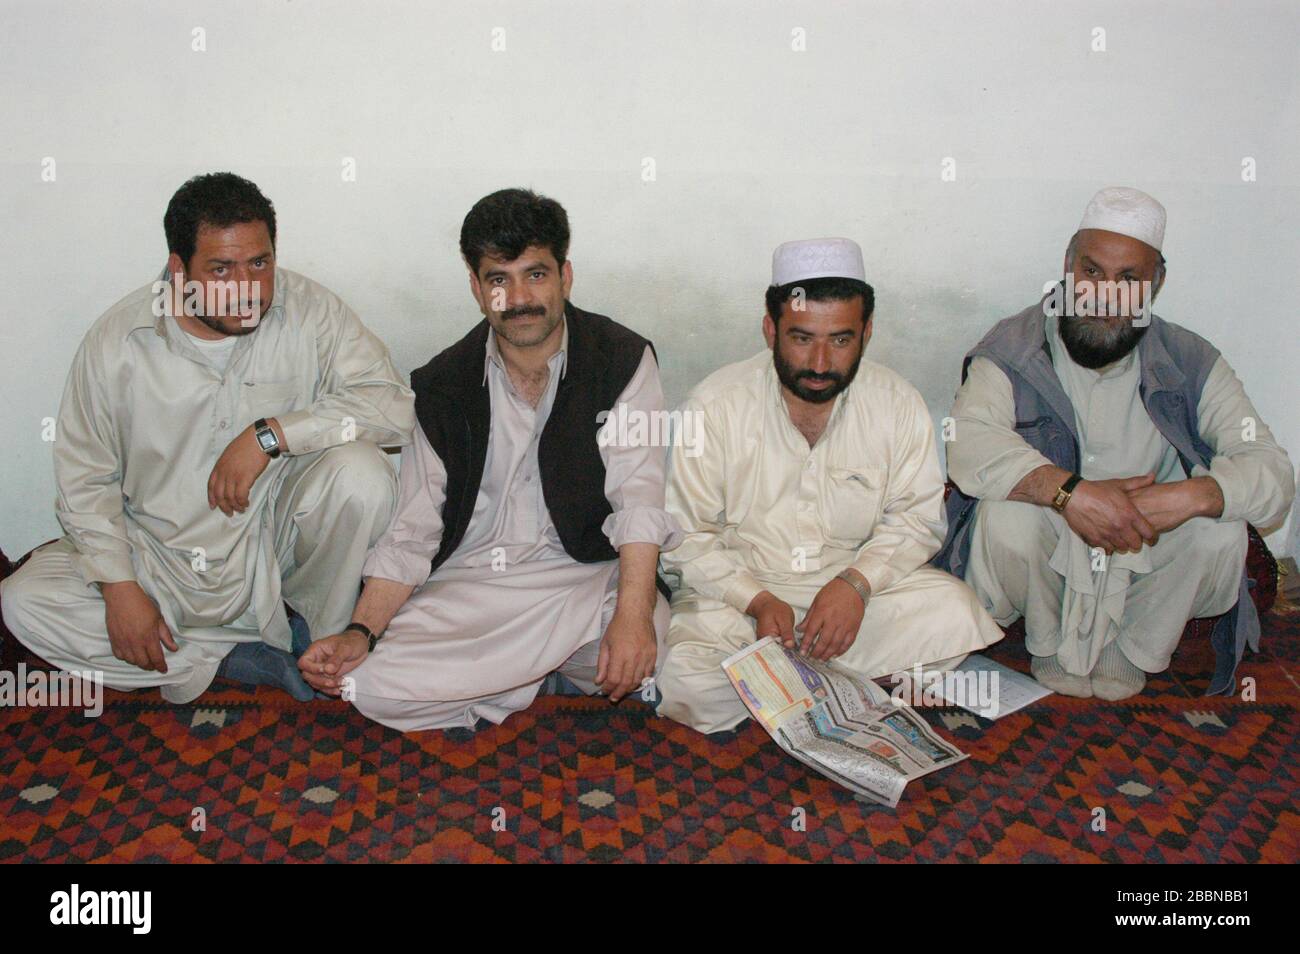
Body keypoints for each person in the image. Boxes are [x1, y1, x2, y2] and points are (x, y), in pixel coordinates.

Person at [1, 172, 415, 703]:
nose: (248, 288)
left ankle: (318, 634)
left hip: (272, 549)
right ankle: (231, 659)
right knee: (24, 600)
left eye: (259, 263)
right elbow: (86, 479)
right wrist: (120, 588)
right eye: (221, 269)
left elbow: (391, 406)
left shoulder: (310, 311)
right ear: (179, 269)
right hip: (161, 555)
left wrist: (271, 435)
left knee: (362, 473)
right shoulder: (117, 342)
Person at [299, 188, 682, 731]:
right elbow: (412, 533)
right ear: (477, 289)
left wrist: (634, 615)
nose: (519, 297)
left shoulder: (620, 358)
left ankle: (497, 681)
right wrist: (360, 633)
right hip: (474, 584)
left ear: (566, 277)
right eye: (499, 280)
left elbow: (639, 495)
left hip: (583, 578)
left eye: (536, 275)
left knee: (651, 656)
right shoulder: (440, 386)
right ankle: (532, 674)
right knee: (367, 684)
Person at [935, 187, 1295, 699]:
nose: (1105, 293)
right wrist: (1071, 493)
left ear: (1157, 283)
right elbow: (967, 442)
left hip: (1149, 547)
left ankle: (1133, 649)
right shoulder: (1013, 347)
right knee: (1006, 514)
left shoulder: (1191, 359)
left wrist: (1187, 497)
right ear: (1067, 267)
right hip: (1053, 537)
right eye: (1092, 272)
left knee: (1219, 530)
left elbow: (1273, 471)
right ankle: (1047, 641)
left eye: (1129, 279)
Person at [656, 237, 1004, 734]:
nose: (820, 362)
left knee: (954, 611)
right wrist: (758, 601)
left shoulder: (896, 403)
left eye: (840, 340)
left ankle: (783, 689)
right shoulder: (715, 405)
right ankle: (840, 685)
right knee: (687, 682)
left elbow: (918, 520)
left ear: (866, 333)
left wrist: (855, 586)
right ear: (770, 329)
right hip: (741, 601)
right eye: (802, 338)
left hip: (847, 598)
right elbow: (685, 539)